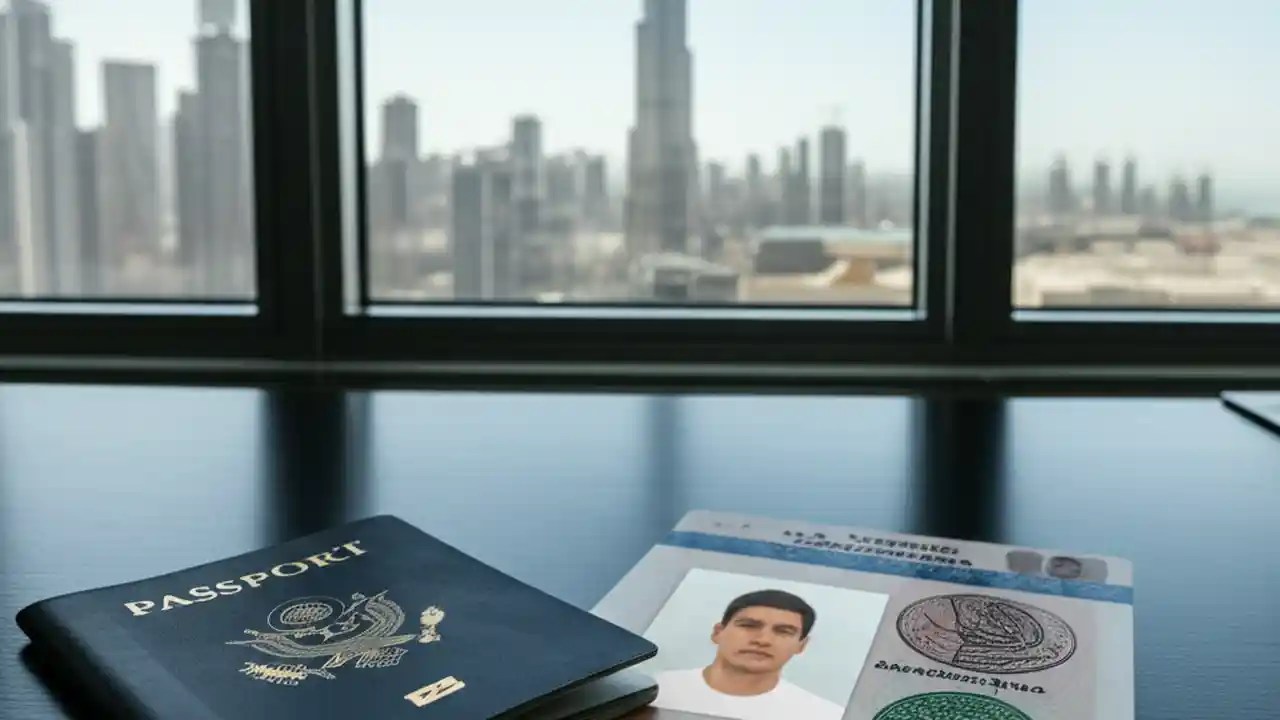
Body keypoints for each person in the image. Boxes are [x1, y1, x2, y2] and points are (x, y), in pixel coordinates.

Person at [652, 589, 844, 720]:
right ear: (718, 632)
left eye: (783, 631)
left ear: (801, 645)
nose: (762, 640)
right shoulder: (653, 690)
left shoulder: (825, 715)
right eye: (749, 626)